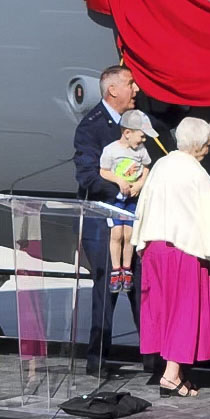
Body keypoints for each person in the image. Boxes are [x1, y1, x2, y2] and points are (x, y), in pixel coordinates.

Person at [131, 117, 210, 397]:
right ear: (198, 144)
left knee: (164, 308)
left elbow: (144, 204)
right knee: (184, 309)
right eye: (207, 145)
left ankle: (176, 372)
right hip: (182, 250)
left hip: (153, 248)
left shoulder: (161, 165)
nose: (208, 151)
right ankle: (171, 375)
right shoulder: (195, 172)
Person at [73, 65, 142, 374]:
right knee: (107, 288)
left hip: (136, 220)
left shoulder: (138, 123)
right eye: (130, 84)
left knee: (142, 287)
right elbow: (87, 176)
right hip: (103, 223)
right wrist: (119, 184)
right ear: (113, 90)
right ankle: (98, 360)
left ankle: (153, 359)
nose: (137, 89)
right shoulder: (91, 128)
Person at [99, 109, 156, 294]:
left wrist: (140, 183)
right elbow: (103, 170)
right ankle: (116, 270)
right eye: (141, 136)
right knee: (117, 233)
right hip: (117, 199)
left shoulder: (141, 151)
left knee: (129, 234)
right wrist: (119, 180)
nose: (143, 140)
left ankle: (127, 269)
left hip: (132, 198)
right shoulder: (111, 150)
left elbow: (146, 167)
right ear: (127, 133)